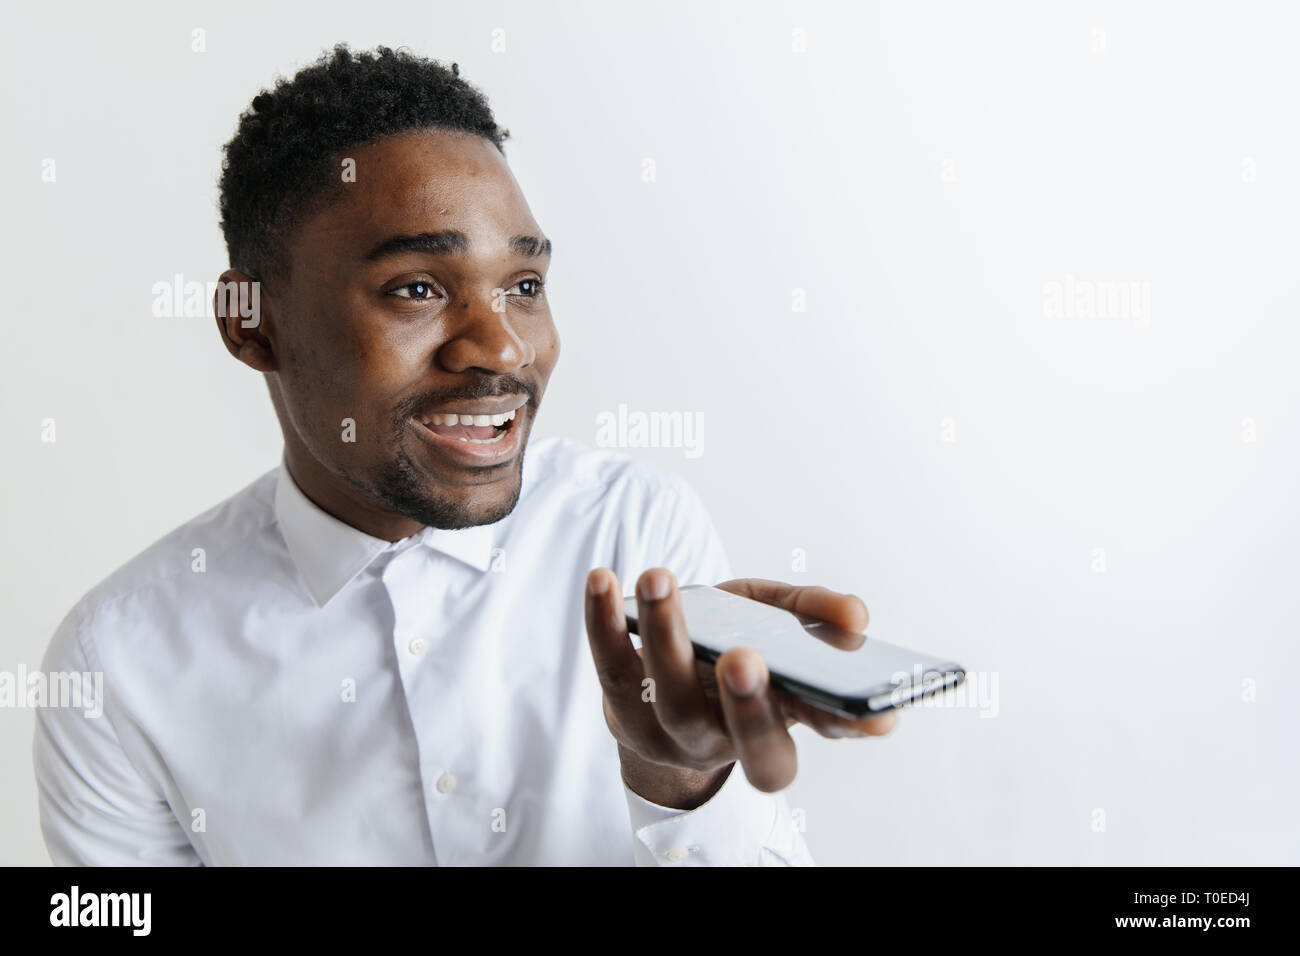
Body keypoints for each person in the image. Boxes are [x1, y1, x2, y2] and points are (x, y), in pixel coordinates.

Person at [34, 44, 895, 866]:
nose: (503, 349)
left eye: (523, 287)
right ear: (252, 321)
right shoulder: (118, 663)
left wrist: (683, 788)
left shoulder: (634, 530)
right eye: (417, 288)